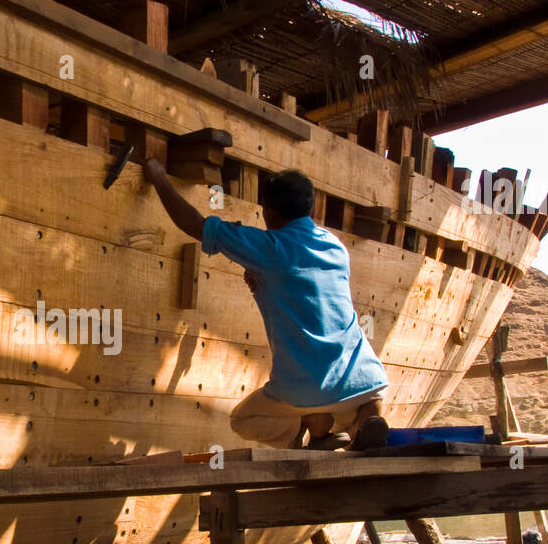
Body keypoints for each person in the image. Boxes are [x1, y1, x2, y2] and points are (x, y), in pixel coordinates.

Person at [142, 159, 390, 450]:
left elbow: (196, 225)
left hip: (305, 389)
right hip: (362, 375)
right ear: (310, 210)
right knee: (366, 393)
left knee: (244, 419)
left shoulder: (268, 248)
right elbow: (304, 286)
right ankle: (366, 419)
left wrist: (159, 178)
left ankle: (309, 427)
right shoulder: (336, 247)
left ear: (268, 213)